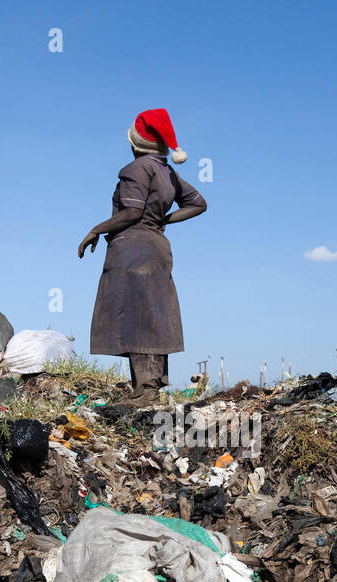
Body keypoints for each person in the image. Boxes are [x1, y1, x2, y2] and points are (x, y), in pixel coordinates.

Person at [79, 109, 207, 407]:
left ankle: (145, 391)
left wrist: (96, 229)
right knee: (153, 315)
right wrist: (163, 220)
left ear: (136, 143)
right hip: (157, 246)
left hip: (133, 247)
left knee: (135, 317)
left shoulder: (135, 169)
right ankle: (148, 387)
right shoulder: (166, 172)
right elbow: (198, 203)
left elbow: (132, 212)